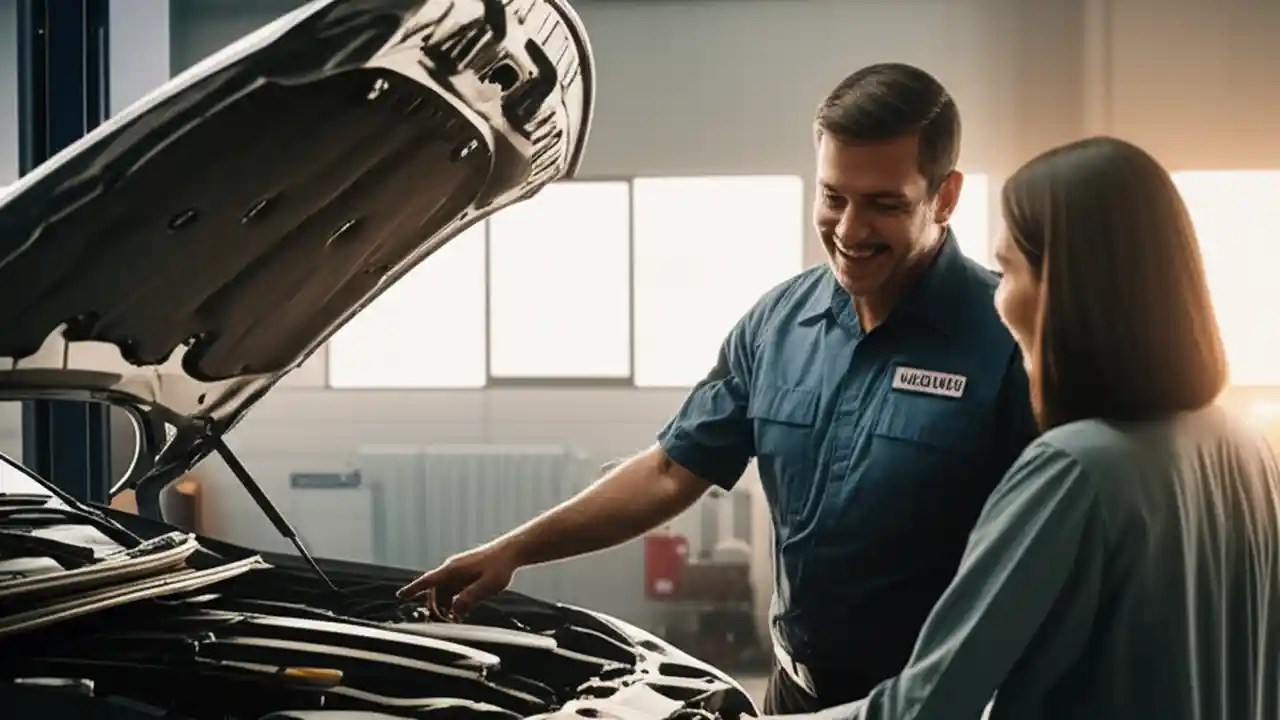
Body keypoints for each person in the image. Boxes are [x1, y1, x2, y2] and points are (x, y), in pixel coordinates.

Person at [395, 63, 1037, 712]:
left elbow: (1043, 563)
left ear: (946, 197)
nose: (849, 231)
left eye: (885, 204)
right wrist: (513, 551)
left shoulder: (1008, 343)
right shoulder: (779, 323)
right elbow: (672, 471)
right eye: (834, 197)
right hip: (792, 696)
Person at [763, 136, 1280, 720]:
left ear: (1063, 290)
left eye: (1006, 271)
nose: (997, 300)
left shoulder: (1073, 470)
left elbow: (924, 709)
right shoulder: (1244, 447)